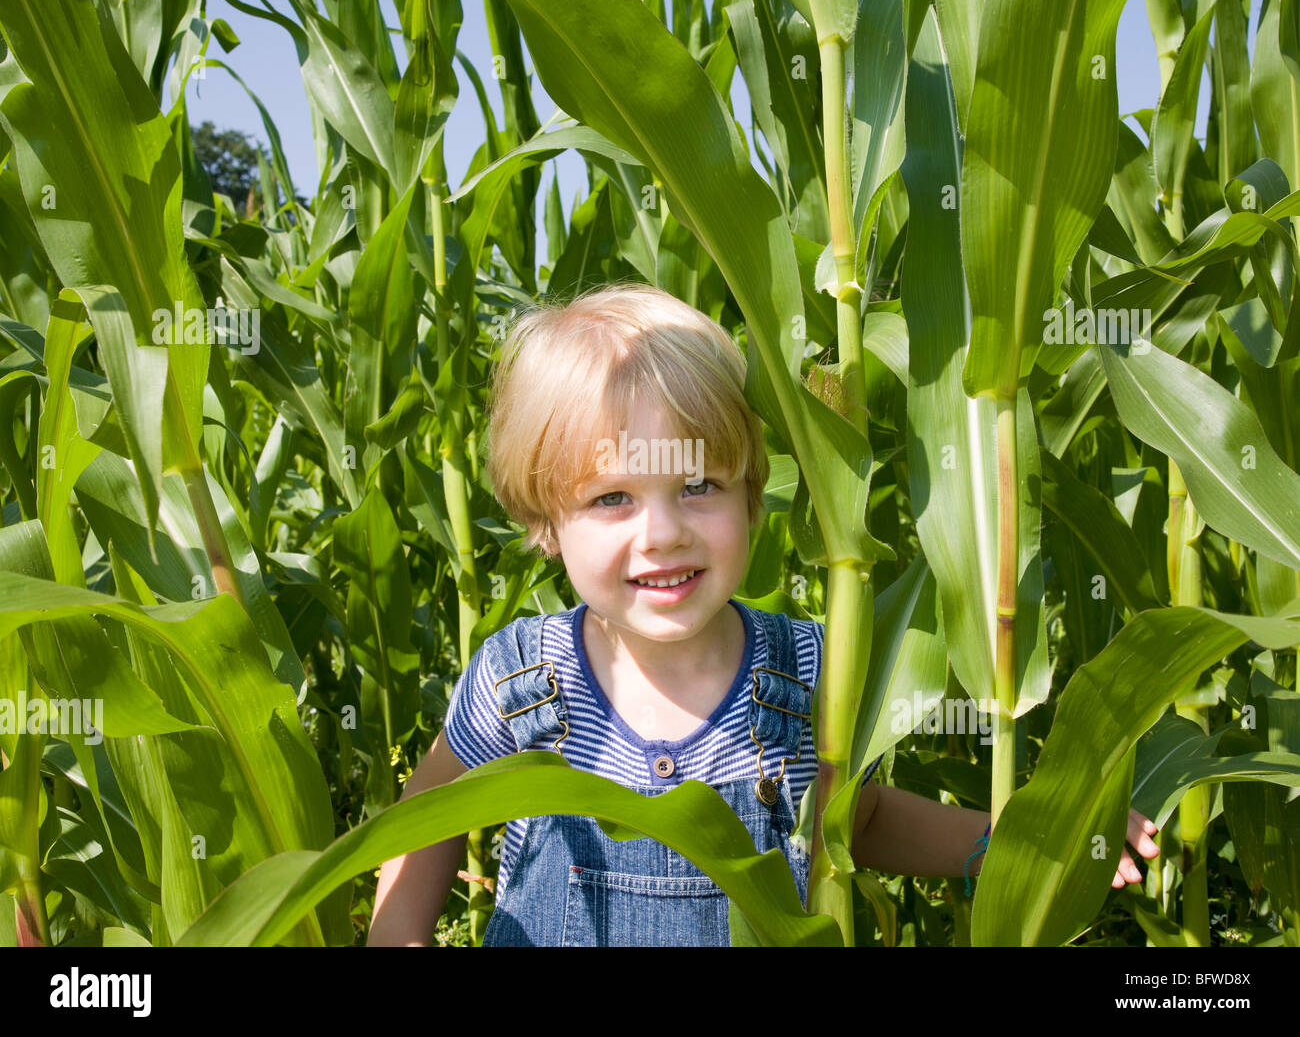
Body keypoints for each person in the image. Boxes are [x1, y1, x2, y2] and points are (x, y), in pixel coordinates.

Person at [366, 282, 1159, 947]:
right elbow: (426, 821)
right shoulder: (519, 679)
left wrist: (1026, 840)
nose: (664, 532)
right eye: (612, 498)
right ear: (544, 521)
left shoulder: (809, 669)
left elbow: (866, 820)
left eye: (698, 486)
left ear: (752, 494)